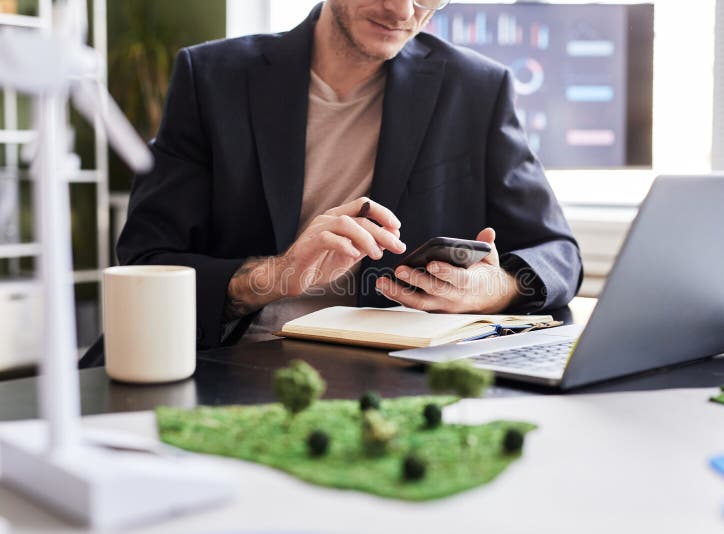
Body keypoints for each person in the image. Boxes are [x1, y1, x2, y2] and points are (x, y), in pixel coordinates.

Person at [116, 0, 583, 349]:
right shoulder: (212, 78)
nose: (402, 11)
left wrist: (495, 287)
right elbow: (145, 263)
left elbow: (559, 253)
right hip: (241, 357)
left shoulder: (477, 88)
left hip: (399, 371)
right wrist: (278, 276)